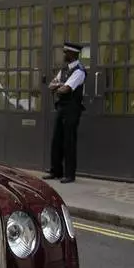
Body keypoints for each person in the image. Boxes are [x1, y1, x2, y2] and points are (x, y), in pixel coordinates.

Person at [43, 41, 87, 184]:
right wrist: (60, 85)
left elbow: (65, 90)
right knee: (57, 139)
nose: (64, 55)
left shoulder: (79, 71)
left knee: (69, 140)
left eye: (66, 53)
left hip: (72, 109)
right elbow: (51, 86)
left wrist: (60, 86)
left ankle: (69, 174)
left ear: (73, 54)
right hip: (61, 107)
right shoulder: (64, 70)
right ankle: (56, 170)